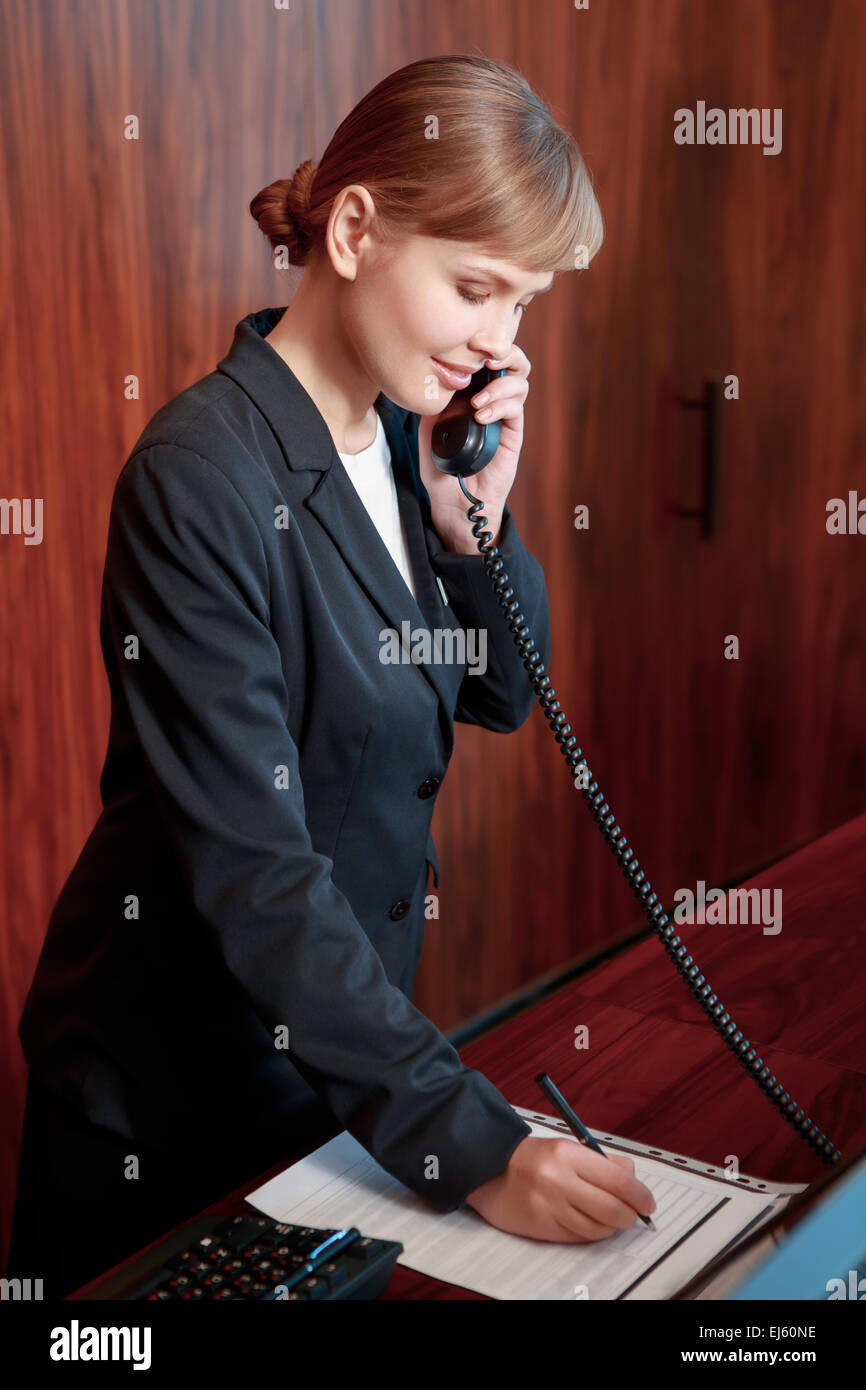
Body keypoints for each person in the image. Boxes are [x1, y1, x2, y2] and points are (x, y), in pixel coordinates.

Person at [8, 53, 654, 1299]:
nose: (495, 341)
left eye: (521, 306)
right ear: (355, 228)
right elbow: (258, 871)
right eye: (474, 287)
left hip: (326, 1073)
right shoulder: (200, 476)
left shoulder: (398, 441)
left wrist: (476, 527)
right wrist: (469, 1142)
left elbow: (504, 696)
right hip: (169, 1099)